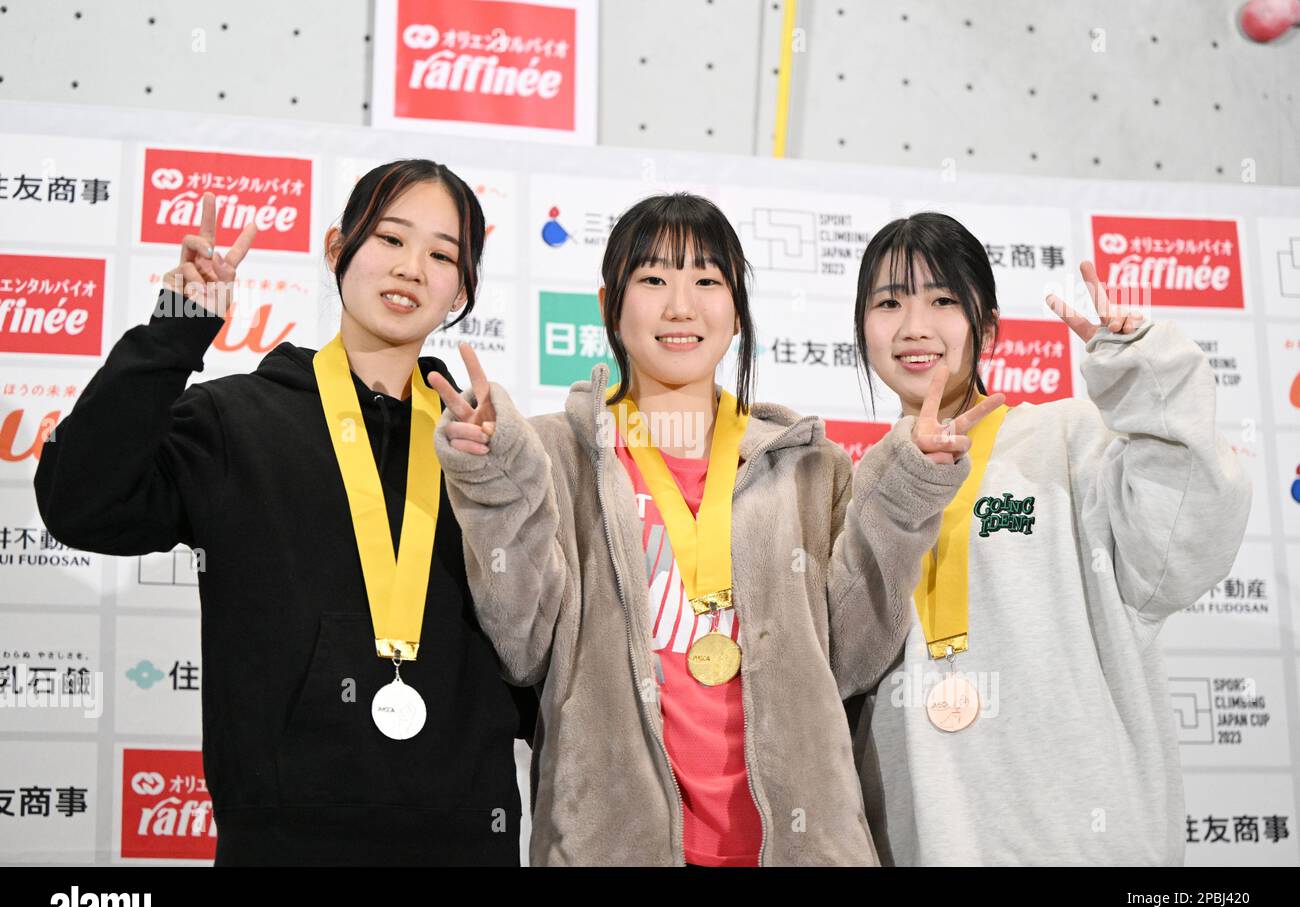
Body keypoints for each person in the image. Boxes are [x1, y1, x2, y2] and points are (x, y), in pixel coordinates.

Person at [427, 193, 998, 865]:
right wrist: (496, 482)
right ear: (611, 302)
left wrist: (908, 491)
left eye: (706, 280)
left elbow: (852, 660)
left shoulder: (809, 467)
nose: (681, 305)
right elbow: (522, 647)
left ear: (736, 310)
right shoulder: (555, 455)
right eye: (653, 279)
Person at [33, 160, 535, 865]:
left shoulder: (485, 450)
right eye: (390, 239)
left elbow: (536, 649)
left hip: (465, 841)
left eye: (443, 254)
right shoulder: (235, 420)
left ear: (462, 288)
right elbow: (81, 504)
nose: (412, 268)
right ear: (338, 248)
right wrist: (175, 332)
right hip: (285, 841)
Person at [844, 211, 1252, 865]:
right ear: (861, 331)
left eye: (943, 300)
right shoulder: (857, 488)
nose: (914, 326)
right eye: (889, 302)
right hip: (921, 843)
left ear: (989, 328)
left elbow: (1187, 540)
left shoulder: (1072, 437)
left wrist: (1150, 382)